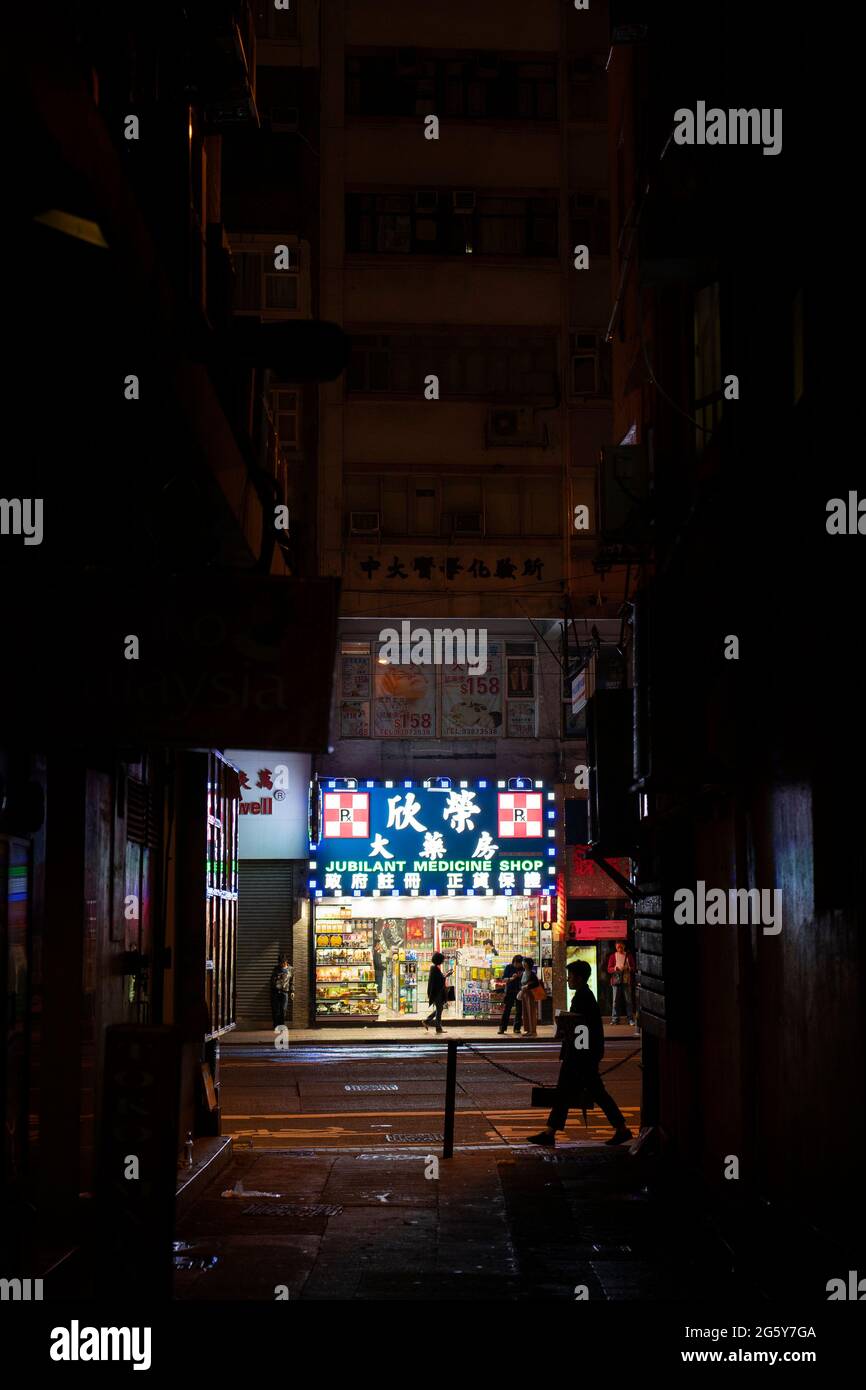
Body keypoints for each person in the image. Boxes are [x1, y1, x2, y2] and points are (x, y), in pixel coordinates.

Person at [527, 960, 632, 1147]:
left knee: (585, 1093)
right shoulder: (585, 996)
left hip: (580, 1055)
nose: (568, 979)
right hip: (583, 1054)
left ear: (579, 978)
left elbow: (581, 1028)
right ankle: (550, 1132)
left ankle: (621, 1129)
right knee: (571, 1093)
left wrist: (573, 1048)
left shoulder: (582, 998)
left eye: (570, 976)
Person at [607, 940, 636, 1025]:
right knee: (615, 1001)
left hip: (626, 981)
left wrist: (628, 968)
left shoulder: (628, 956)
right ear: (616, 947)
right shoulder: (613, 956)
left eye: (621, 945)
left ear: (624, 946)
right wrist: (615, 968)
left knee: (628, 1001)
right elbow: (609, 969)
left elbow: (634, 968)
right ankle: (615, 1019)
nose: (619, 947)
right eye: (618, 946)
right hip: (616, 981)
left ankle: (630, 1019)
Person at [422, 952, 451, 1033]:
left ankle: (427, 1021)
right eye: (442, 960)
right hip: (436, 992)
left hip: (436, 992)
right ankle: (438, 1028)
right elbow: (440, 980)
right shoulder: (435, 968)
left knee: (440, 1008)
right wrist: (446, 975)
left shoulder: (434, 968)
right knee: (439, 1009)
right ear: (439, 960)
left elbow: (440, 978)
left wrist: (445, 975)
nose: (442, 961)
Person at [497, 954, 524, 1034]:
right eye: (516, 963)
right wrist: (512, 978)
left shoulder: (523, 969)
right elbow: (503, 979)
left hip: (520, 992)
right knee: (507, 1010)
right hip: (510, 991)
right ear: (513, 962)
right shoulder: (509, 967)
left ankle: (517, 1028)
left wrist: (521, 976)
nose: (517, 965)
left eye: (519, 963)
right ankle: (502, 1028)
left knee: (519, 1010)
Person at [517, 956, 540, 1037]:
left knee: (531, 1012)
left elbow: (536, 983)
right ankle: (527, 1029)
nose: (523, 963)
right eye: (523, 962)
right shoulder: (524, 973)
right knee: (525, 1012)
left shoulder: (532, 973)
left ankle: (533, 1031)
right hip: (524, 994)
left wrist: (527, 986)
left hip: (530, 994)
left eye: (524, 962)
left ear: (528, 964)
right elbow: (521, 983)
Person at [271, 954, 292, 1028]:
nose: (282, 964)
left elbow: (292, 981)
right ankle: (276, 1025)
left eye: (283, 962)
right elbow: (272, 980)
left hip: (285, 992)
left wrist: (292, 991)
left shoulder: (290, 969)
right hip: (276, 992)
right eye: (280, 962)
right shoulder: (276, 969)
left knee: (283, 1009)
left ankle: (282, 1024)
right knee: (276, 1010)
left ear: (286, 961)